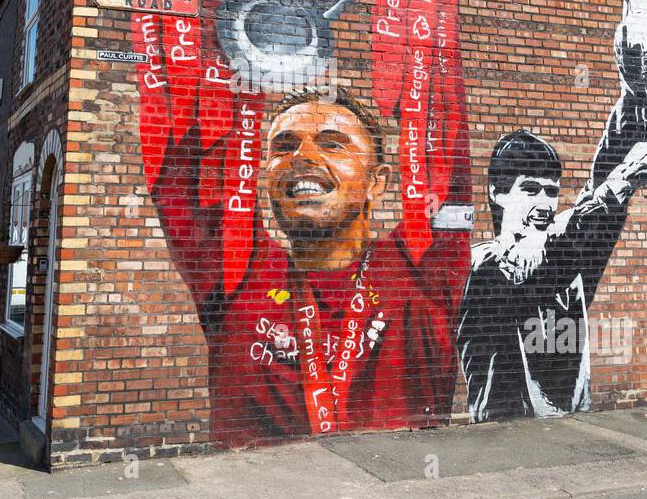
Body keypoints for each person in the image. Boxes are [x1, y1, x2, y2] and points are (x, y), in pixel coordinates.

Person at [149, 86, 473, 447]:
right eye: (284, 146)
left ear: (377, 182)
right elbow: (180, 157)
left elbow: (444, 142)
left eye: (333, 143)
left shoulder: (419, 274)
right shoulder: (233, 277)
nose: (301, 156)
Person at [457, 101, 647, 422]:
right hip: (502, 437)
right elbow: (550, 250)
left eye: (551, 192)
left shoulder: (567, 262)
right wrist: (616, 186)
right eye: (530, 189)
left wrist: (636, 102)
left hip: (570, 428)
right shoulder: (481, 266)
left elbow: (596, 198)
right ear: (497, 192)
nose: (544, 203)